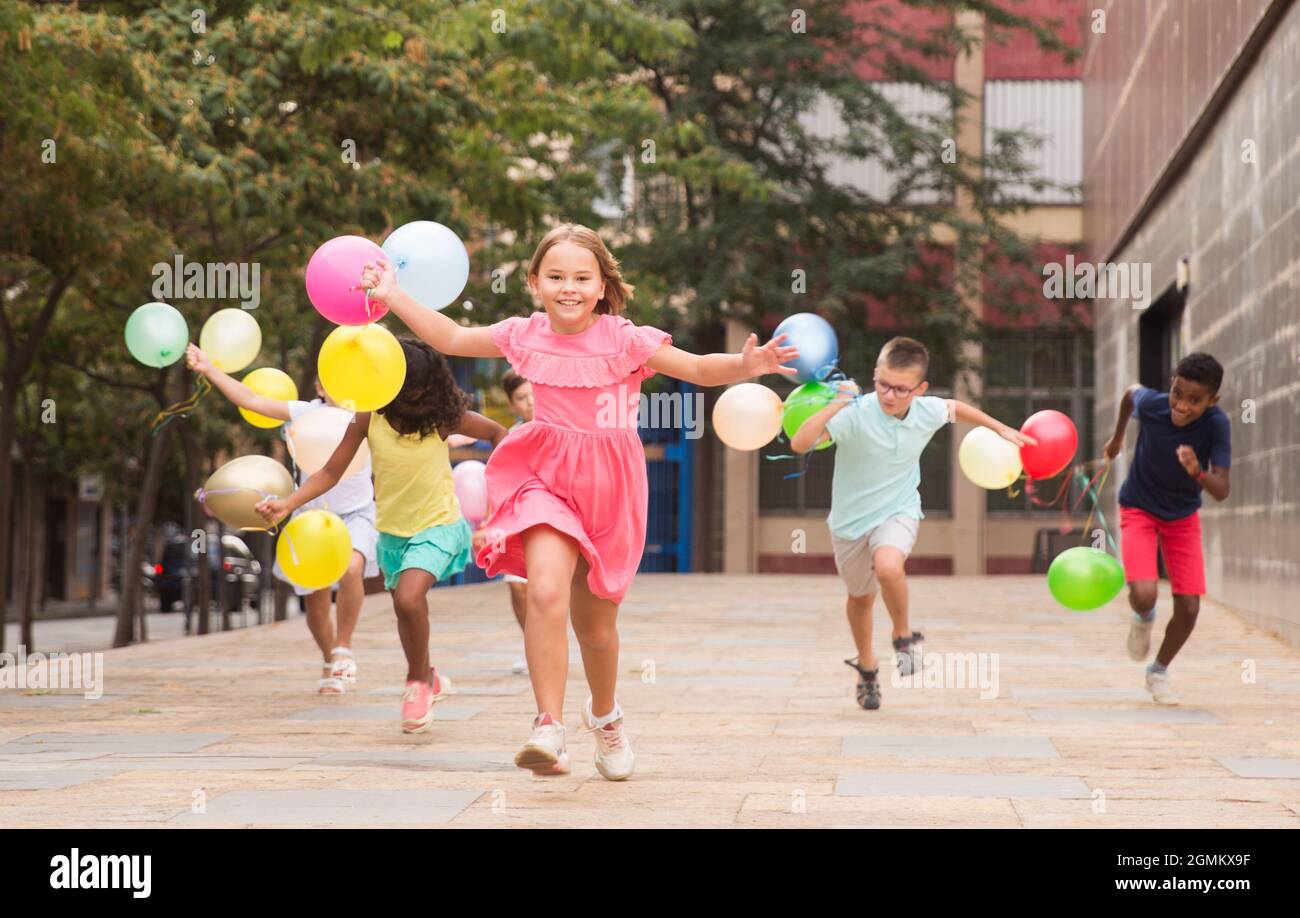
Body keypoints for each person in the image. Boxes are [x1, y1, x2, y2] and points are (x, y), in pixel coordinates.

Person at [358, 222, 798, 779]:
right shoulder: (524, 333)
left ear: (601, 285)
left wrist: (745, 367)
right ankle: (548, 724)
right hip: (542, 476)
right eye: (556, 275)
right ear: (536, 282)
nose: (569, 286)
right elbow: (450, 336)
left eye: (581, 277)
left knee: (595, 629)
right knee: (543, 591)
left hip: (610, 487)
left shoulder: (625, 339)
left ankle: (606, 717)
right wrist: (393, 294)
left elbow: (696, 368)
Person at [255, 339, 507, 732]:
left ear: (429, 385)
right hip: (391, 533)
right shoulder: (368, 417)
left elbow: (497, 432)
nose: (409, 392)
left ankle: (417, 683)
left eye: (415, 385)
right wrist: (289, 503)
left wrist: (505, 495)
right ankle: (429, 674)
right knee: (406, 613)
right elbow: (329, 472)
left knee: (409, 599)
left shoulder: (443, 417)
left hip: (439, 525)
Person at [791, 336, 1035, 710]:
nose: (890, 395)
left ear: (919, 389)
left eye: (901, 389)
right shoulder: (854, 413)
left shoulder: (926, 411)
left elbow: (955, 408)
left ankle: (903, 636)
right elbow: (800, 442)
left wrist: (999, 428)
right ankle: (867, 667)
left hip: (899, 510)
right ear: (875, 375)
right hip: (849, 522)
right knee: (860, 598)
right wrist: (837, 403)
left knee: (889, 567)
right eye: (883, 384)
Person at [187, 343, 376, 695]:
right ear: (319, 388)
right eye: (333, 380)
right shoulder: (305, 412)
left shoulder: (370, 413)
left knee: (351, 568)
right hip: (309, 516)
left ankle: (343, 648)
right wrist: (210, 369)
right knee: (316, 603)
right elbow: (251, 400)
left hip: (357, 513)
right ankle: (329, 659)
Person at [1103, 352, 1231, 705]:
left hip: (1181, 516)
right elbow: (1130, 394)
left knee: (1189, 607)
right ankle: (1143, 616)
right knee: (1144, 594)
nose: (1181, 406)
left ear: (1212, 401)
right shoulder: (1154, 404)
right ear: (1171, 385)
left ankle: (1158, 670)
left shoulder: (1217, 424)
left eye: (1194, 401)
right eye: (1177, 393)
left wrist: (1197, 473)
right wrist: (1117, 440)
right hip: (1139, 507)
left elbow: (1222, 489)